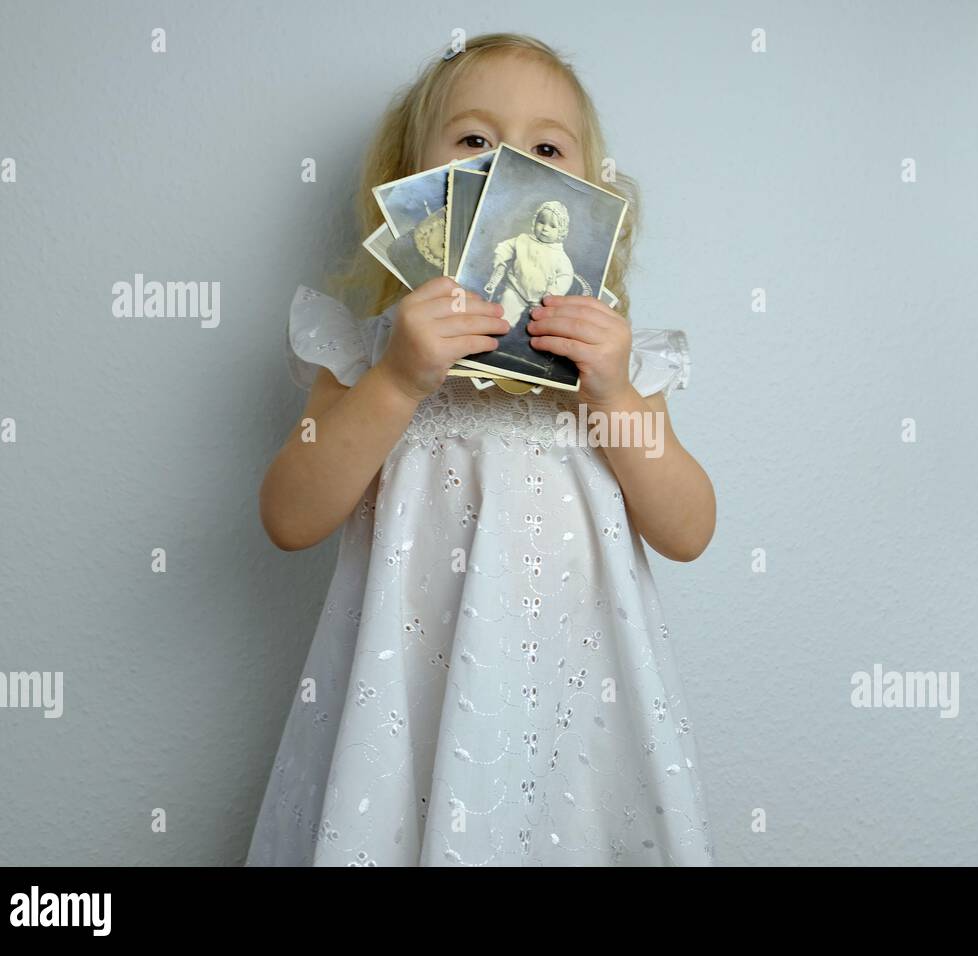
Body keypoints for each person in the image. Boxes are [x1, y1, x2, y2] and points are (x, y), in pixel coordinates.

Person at [248, 32, 716, 866]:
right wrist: (396, 381)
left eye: (545, 147)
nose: (509, 166)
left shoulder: (618, 367)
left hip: (582, 714)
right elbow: (290, 515)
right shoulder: (365, 354)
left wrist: (610, 390)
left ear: (582, 195)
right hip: (408, 713)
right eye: (474, 140)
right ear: (416, 185)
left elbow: (688, 528)